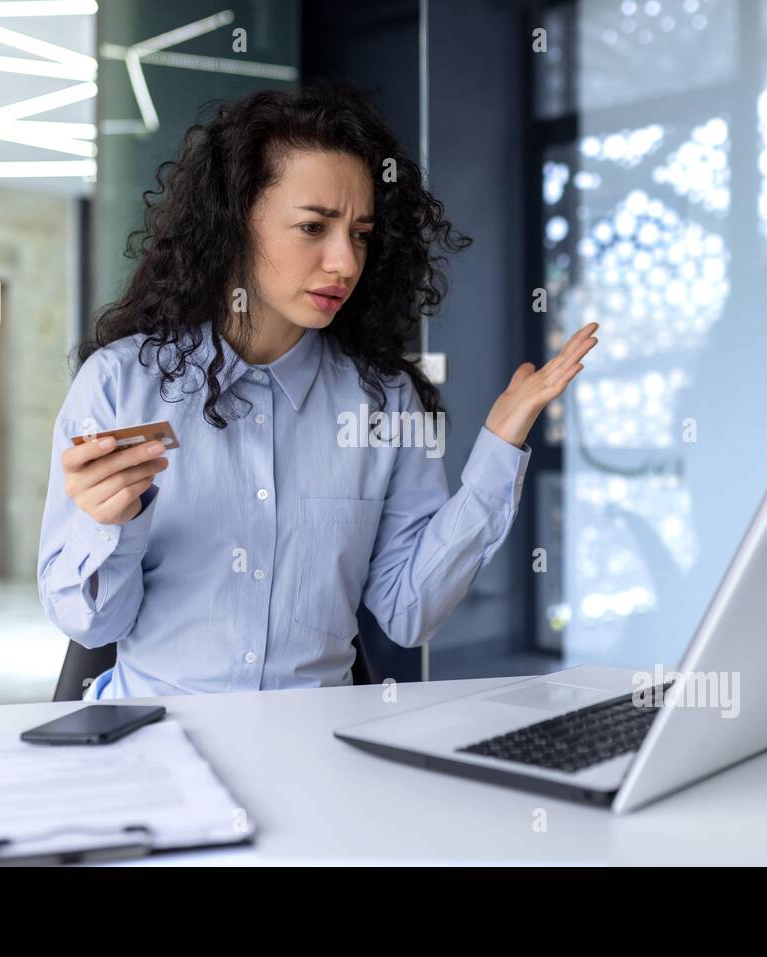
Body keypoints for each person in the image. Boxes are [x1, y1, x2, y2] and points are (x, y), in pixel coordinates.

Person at [36, 83, 597, 699]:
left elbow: (409, 612)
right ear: (235, 222)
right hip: (160, 739)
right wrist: (109, 525)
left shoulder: (383, 403)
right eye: (313, 227)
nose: (345, 263)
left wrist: (499, 448)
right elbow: (94, 623)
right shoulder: (122, 385)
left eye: (359, 233)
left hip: (317, 745)